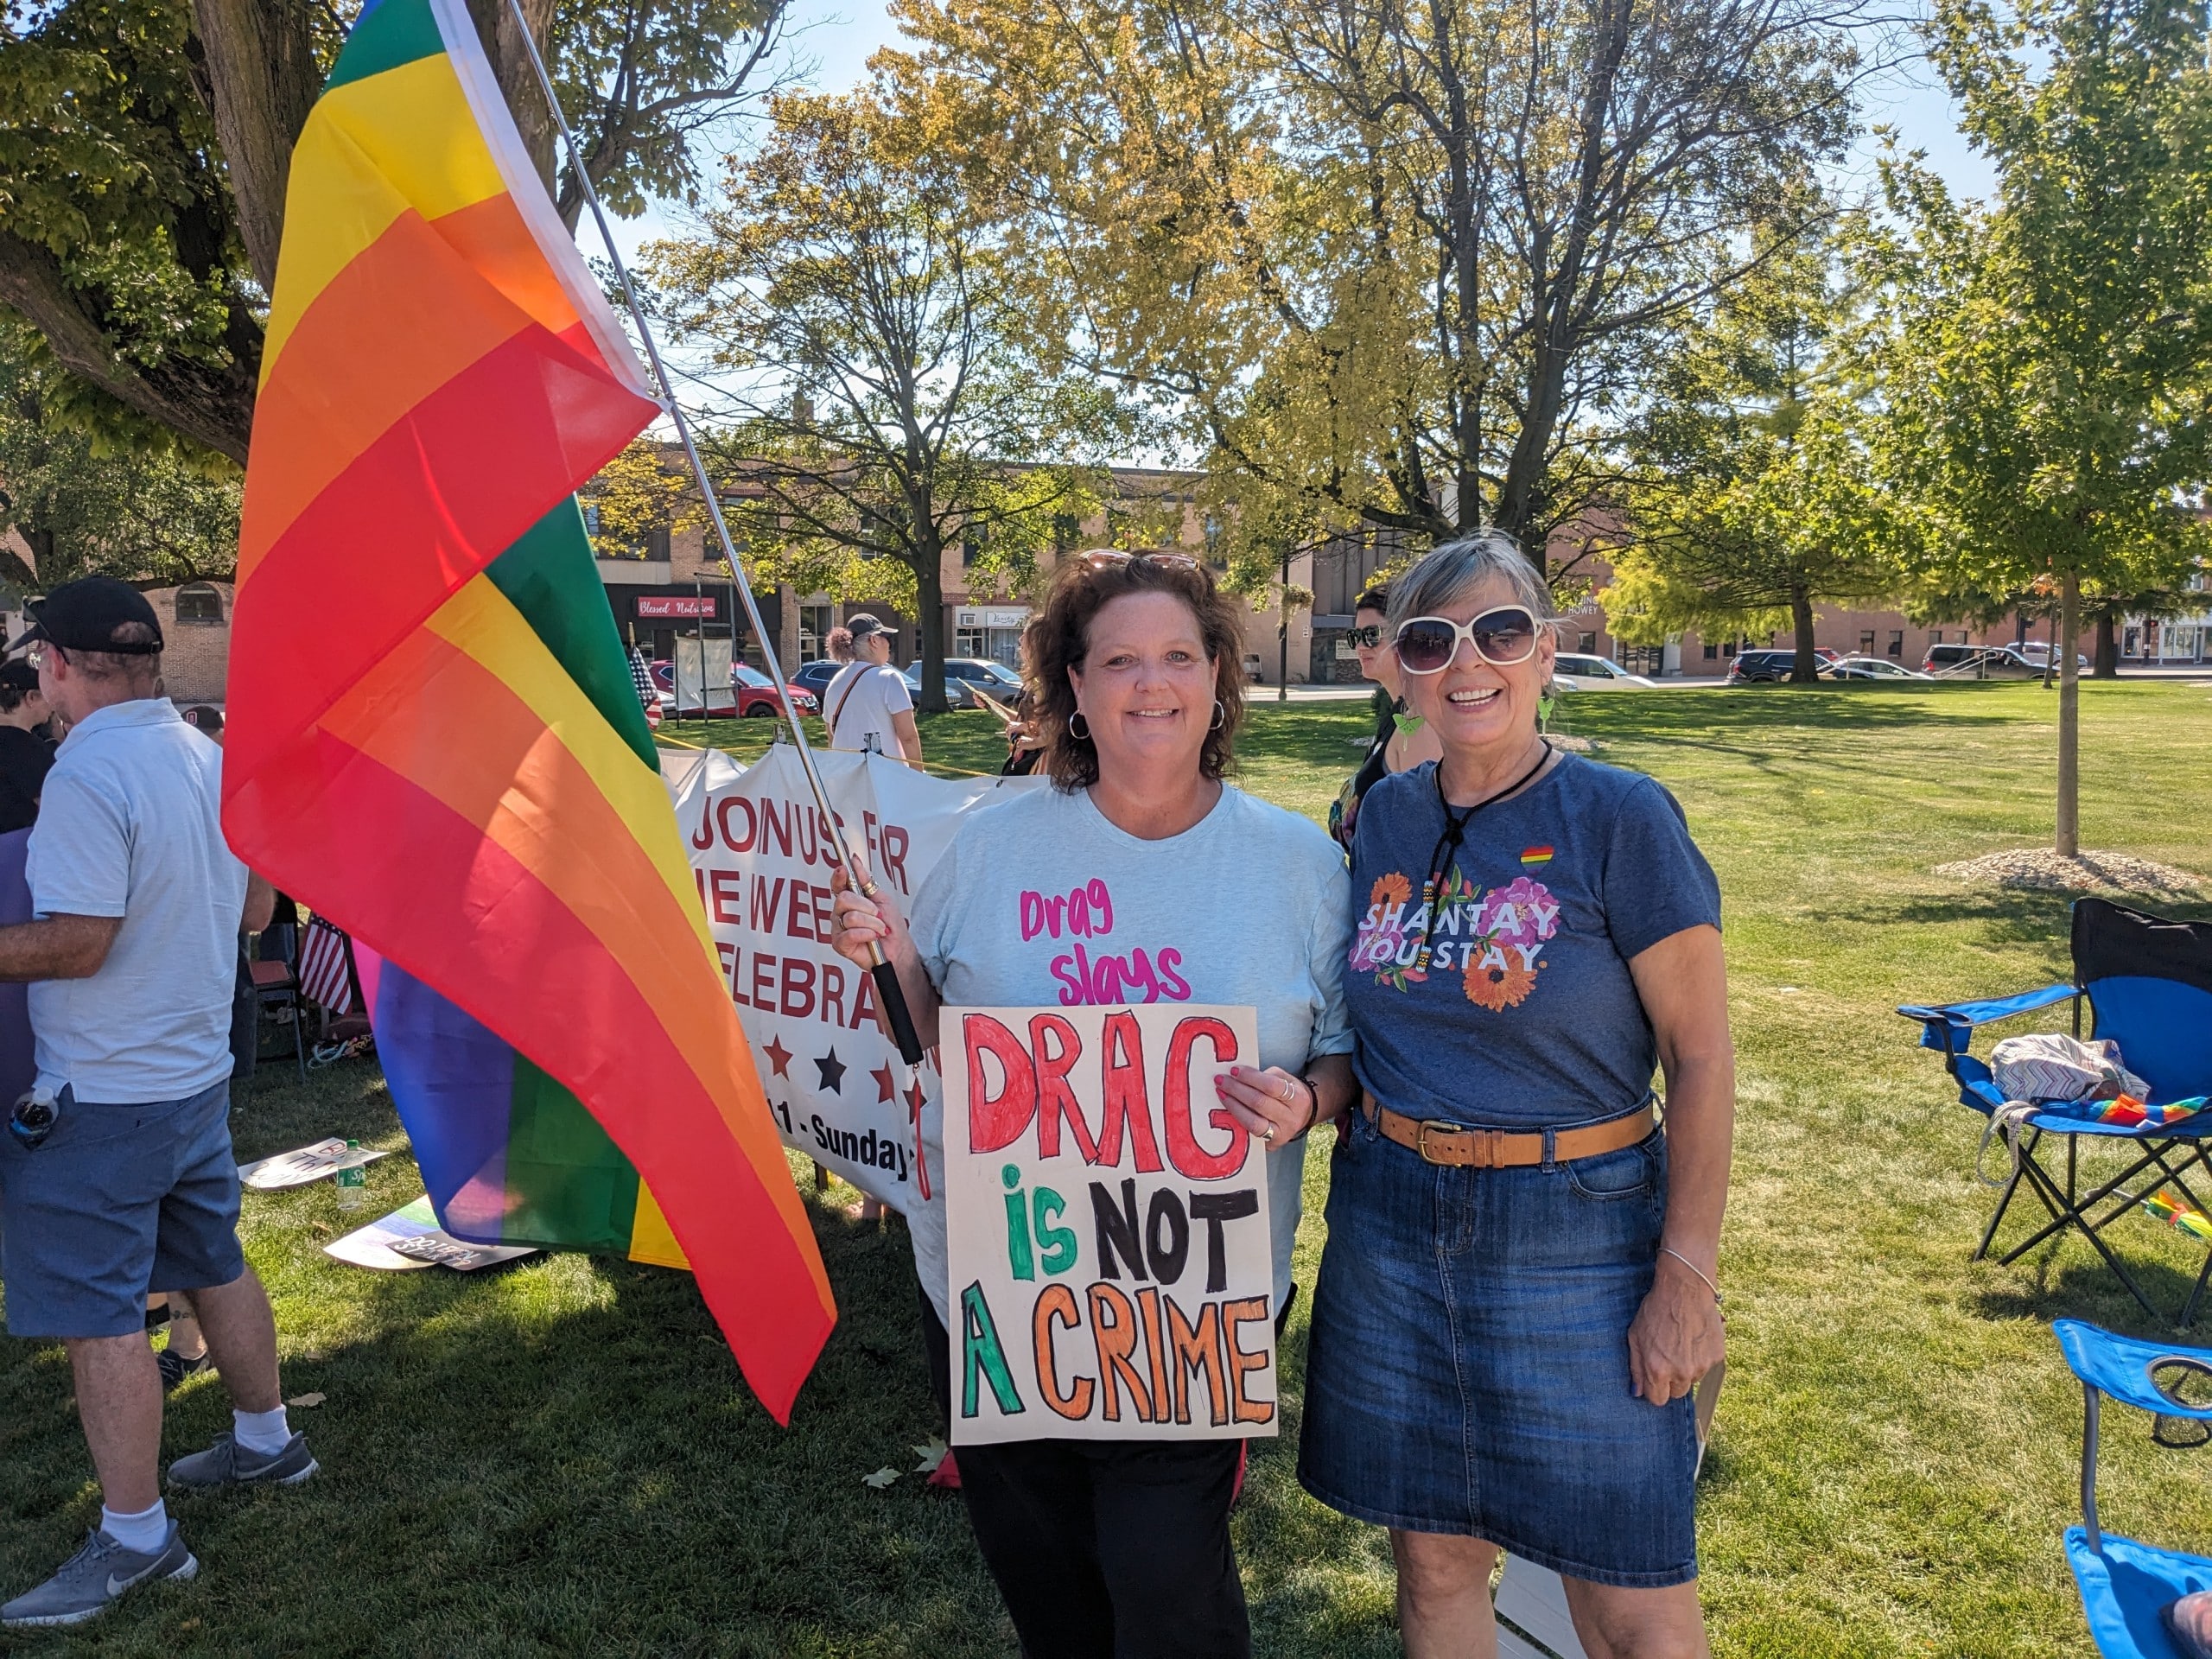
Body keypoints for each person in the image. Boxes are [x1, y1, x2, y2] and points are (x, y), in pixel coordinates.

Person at [830, 549, 1359, 1658]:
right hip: (1001, 1295)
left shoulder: (1299, 865)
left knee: (1169, 1595)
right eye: (1118, 659)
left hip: (1191, 1313)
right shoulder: (991, 845)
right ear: (1073, 686)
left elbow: (1348, 1060)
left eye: (1178, 655)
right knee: (1052, 1599)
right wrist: (890, 955)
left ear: (1219, 677)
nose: (1149, 684)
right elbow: (933, 1042)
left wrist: (1303, 1105)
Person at [1298, 533, 1733, 1659]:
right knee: (1434, 1562)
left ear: (1545, 652)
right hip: (1389, 1221)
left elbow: (1701, 1056)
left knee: (1625, 1590)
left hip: (1578, 1232)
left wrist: (1686, 1272)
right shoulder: (1380, 820)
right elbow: (1358, 1017)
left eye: (1500, 632)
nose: (1467, 663)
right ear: (1395, 665)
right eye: (1432, 640)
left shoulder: (1622, 819)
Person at [0, 577, 317, 1631]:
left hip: (106, 1092)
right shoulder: (202, 752)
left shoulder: (86, 774)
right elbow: (260, 907)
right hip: (193, 1074)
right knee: (212, 1260)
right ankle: (269, 1444)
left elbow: (78, 942)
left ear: (56, 663)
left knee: (99, 1320)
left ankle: (137, 1541)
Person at [1329, 582, 1443, 849]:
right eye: (1354, 637)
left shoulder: (1422, 723)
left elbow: (1424, 836)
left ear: (1408, 636)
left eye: (1371, 635)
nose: (1360, 646)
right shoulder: (1400, 713)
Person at [822, 613, 922, 766]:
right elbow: (908, 737)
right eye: (886, 638)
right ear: (874, 640)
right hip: (885, 778)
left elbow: (831, 737)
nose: (889, 644)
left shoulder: (835, 682)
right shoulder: (889, 679)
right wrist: (918, 778)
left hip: (846, 778)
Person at [0, 657, 56, 833]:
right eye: (50, 694)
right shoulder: (26, 748)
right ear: (31, 697)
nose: (53, 704)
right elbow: (58, 809)